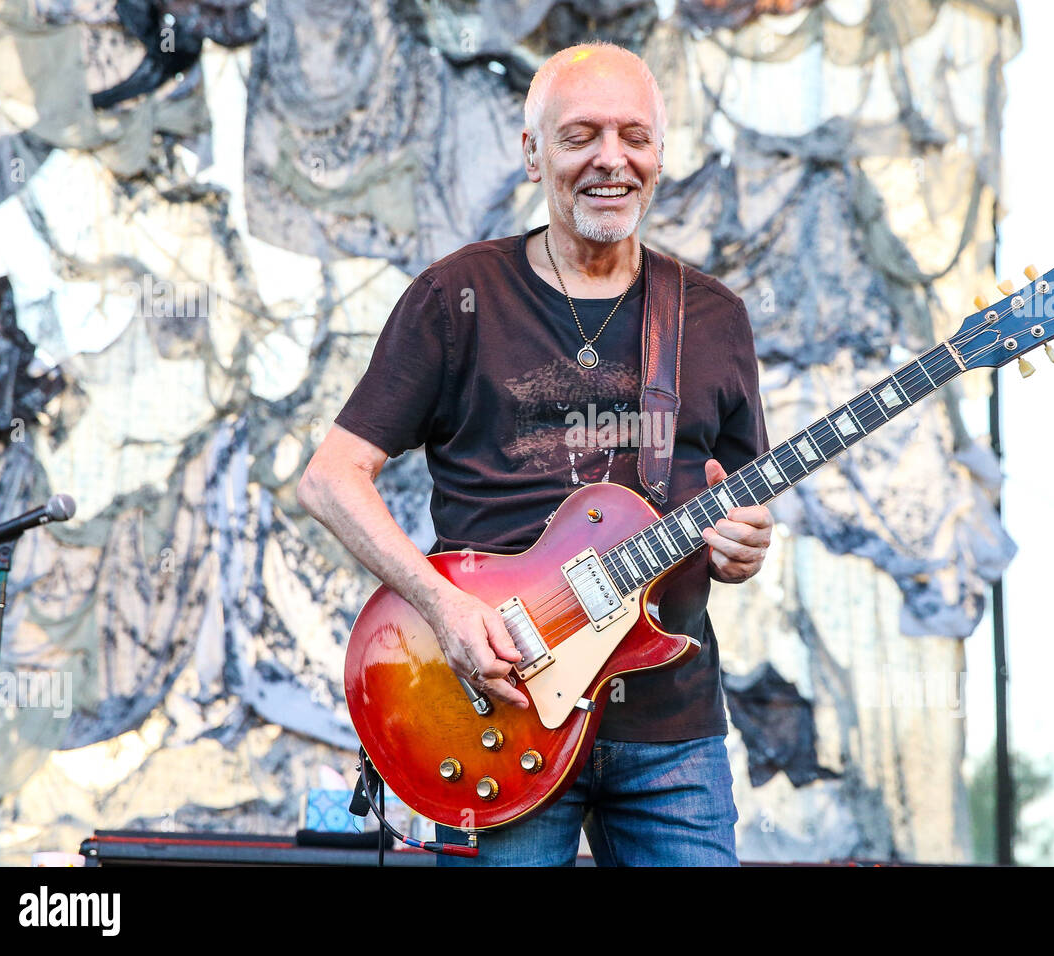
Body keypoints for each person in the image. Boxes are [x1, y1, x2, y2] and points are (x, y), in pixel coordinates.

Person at [297, 42, 773, 866]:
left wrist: (745, 547)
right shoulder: (456, 299)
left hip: (670, 729)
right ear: (531, 154)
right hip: (493, 710)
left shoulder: (714, 318)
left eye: (634, 136)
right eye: (580, 135)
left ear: (661, 155)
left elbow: (737, 509)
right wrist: (446, 610)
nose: (610, 160)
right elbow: (332, 480)